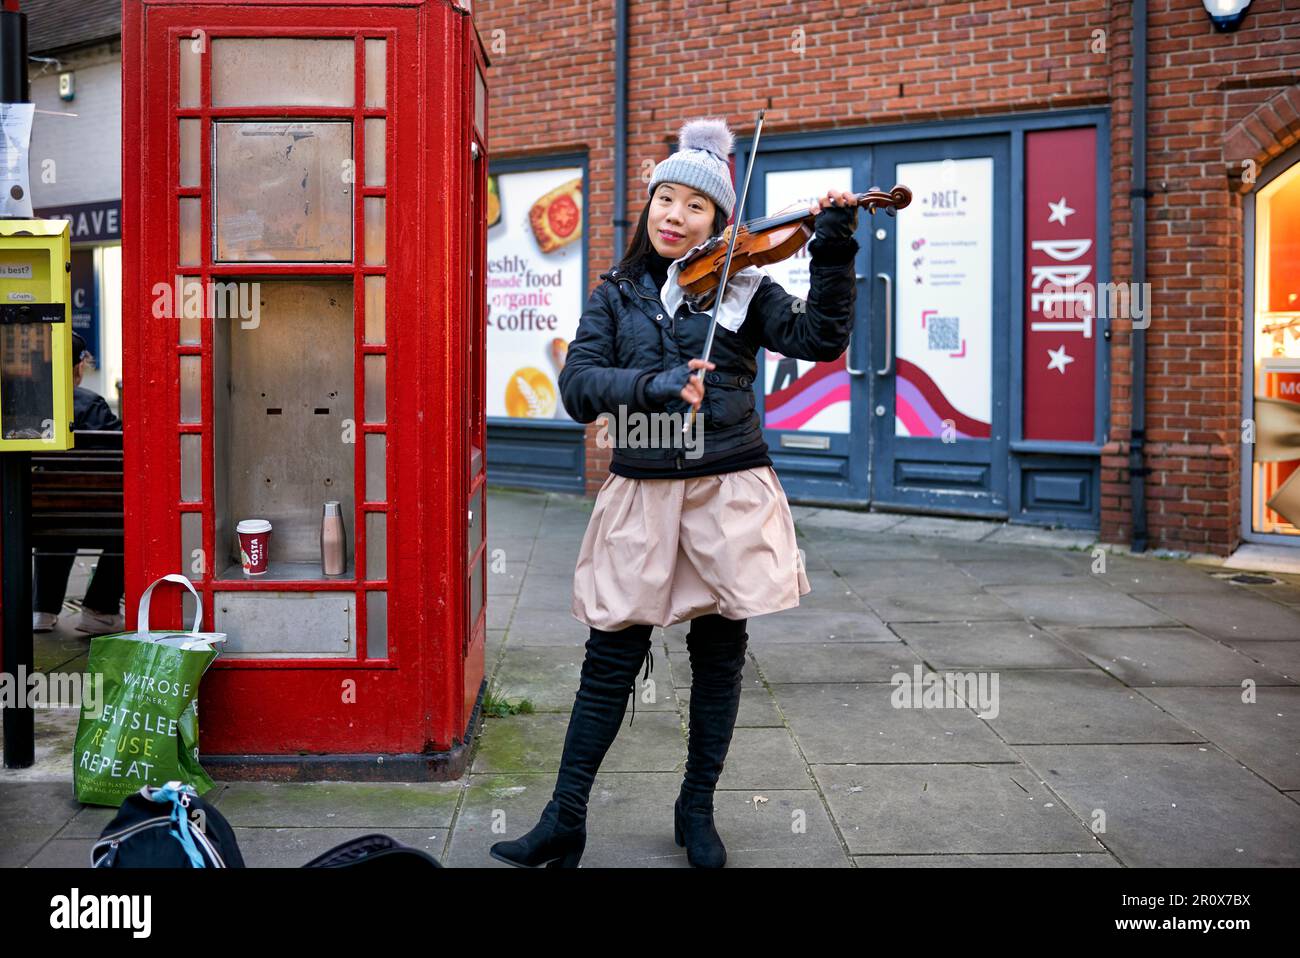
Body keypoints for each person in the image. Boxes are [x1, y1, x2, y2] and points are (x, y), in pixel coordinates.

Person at [489, 118, 859, 868]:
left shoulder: (747, 287)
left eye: (696, 207)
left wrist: (835, 244)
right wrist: (654, 384)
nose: (675, 216)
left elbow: (822, 337)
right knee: (609, 658)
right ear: (648, 204)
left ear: (721, 223)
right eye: (666, 198)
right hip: (644, 492)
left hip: (728, 488)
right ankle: (565, 817)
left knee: (719, 656)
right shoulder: (618, 294)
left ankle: (697, 812)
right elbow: (578, 388)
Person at [32, 332, 126, 636]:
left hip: (34, 516)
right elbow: (122, 456)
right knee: (130, 527)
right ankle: (100, 609)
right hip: (94, 515)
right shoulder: (90, 404)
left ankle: (41, 610)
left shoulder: (22, 403)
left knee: (56, 521)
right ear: (78, 366)